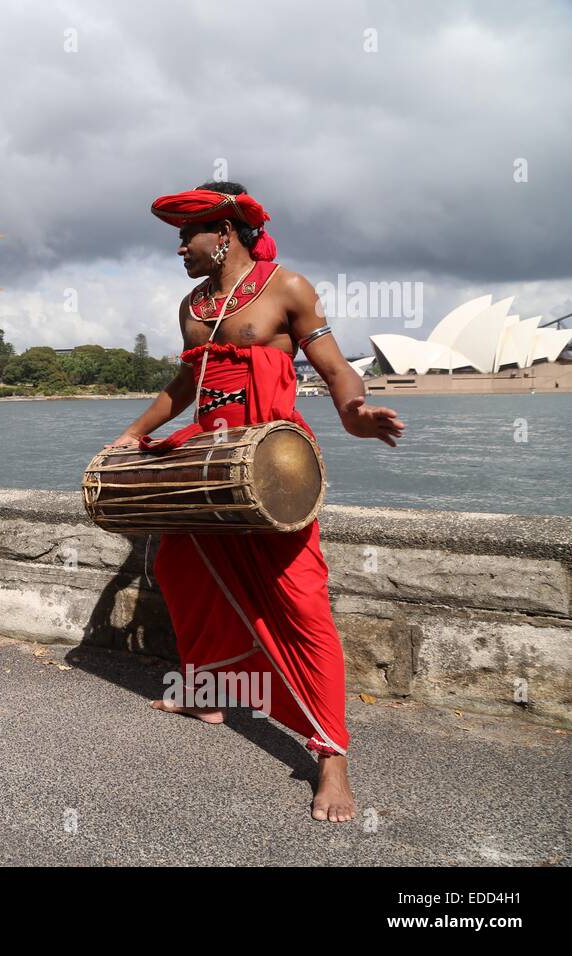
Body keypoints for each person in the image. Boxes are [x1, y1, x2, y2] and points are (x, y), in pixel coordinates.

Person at [111, 181, 405, 823]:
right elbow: (186, 382)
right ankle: (208, 691)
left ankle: (331, 758)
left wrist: (355, 414)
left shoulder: (288, 287)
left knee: (299, 599)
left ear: (223, 231)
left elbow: (334, 370)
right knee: (180, 569)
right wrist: (135, 434)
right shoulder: (191, 304)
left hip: (270, 465)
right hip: (206, 461)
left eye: (186, 235)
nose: (178, 249)